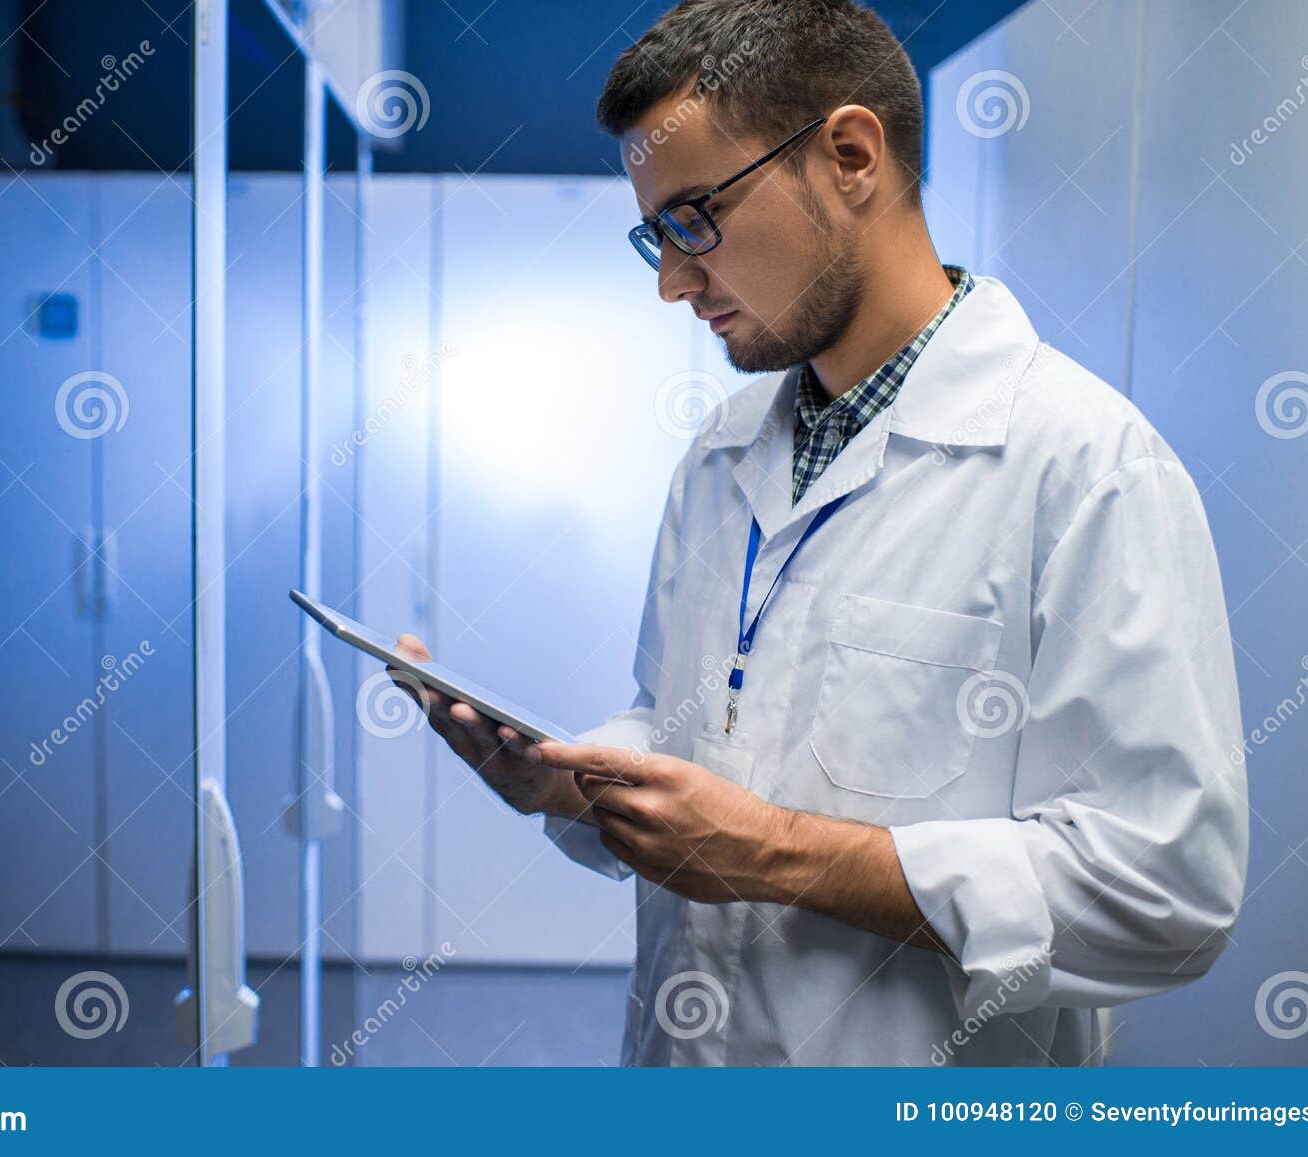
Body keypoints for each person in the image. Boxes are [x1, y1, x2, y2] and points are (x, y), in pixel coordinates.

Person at [393, 0, 1247, 1065]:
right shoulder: (720, 450)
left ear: (849, 155)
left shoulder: (1084, 468)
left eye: (695, 216)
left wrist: (774, 856)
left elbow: (1163, 892)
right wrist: (566, 778)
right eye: (652, 233)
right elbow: (695, 722)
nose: (671, 280)